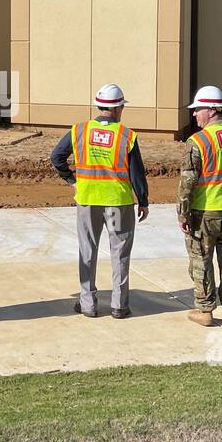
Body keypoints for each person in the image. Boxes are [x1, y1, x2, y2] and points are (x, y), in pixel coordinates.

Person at [50, 83, 149, 318]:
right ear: (117, 109)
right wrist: (143, 200)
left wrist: (71, 179)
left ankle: (88, 304)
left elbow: (56, 156)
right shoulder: (126, 135)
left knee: (87, 250)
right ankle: (119, 305)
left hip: (88, 200)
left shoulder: (79, 131)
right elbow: (137, 173)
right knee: (120, 252)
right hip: (118, 202)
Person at [177, 85, 222, 327]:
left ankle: (205, 311)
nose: (194, 114)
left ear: (211, 110)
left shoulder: (198, 141)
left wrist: (182, 213)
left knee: (201, 259)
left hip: (206, 211)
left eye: (197, 109)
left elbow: (187, 181)